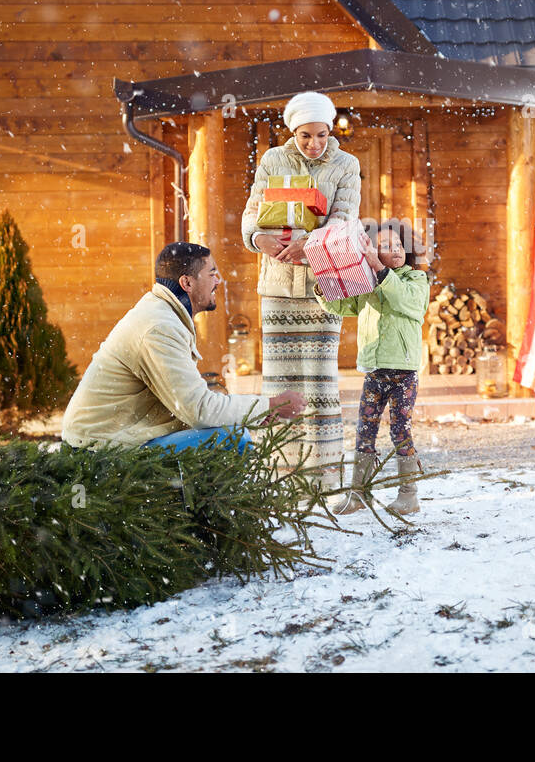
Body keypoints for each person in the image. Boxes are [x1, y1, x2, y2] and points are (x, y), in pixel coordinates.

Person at [61, 242, 304, 452]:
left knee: (227, 431)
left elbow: (186, 404)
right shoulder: (158, 328)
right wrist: (271, 405)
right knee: (230, 440)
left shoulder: (164, 316)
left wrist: (250, 412)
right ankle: (231, 507)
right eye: (212, 273)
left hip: (116, 439)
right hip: (98, 450)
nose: (218, 281)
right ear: (187, 282)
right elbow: (198, 410)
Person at [241, 91, 361, 481]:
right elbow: (253, 212)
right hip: (276, 288)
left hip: (322, 289)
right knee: (281, 382)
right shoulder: (272, 159)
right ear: (293, 132)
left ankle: (324, 477)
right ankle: (279, 475)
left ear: (331, 130)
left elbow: (343, 220)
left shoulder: (347, 165)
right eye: (306, 136)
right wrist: (258, 239)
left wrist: (308, 245)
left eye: (322, 135)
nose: (314, 144)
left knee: (319, 380)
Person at [314, 220, 430, 515]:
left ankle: (409, 495)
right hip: (374, 371)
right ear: (372, 253)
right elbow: (343, 306)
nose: (396, 250)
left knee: (400, 431)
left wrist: (379, 268)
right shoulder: (368, 284)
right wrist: (322, 288)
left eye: (399, 245)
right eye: (386, 247)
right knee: (364, 432)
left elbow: (408, 303)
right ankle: (358, 494)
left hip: (403, 373)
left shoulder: (415, 280)